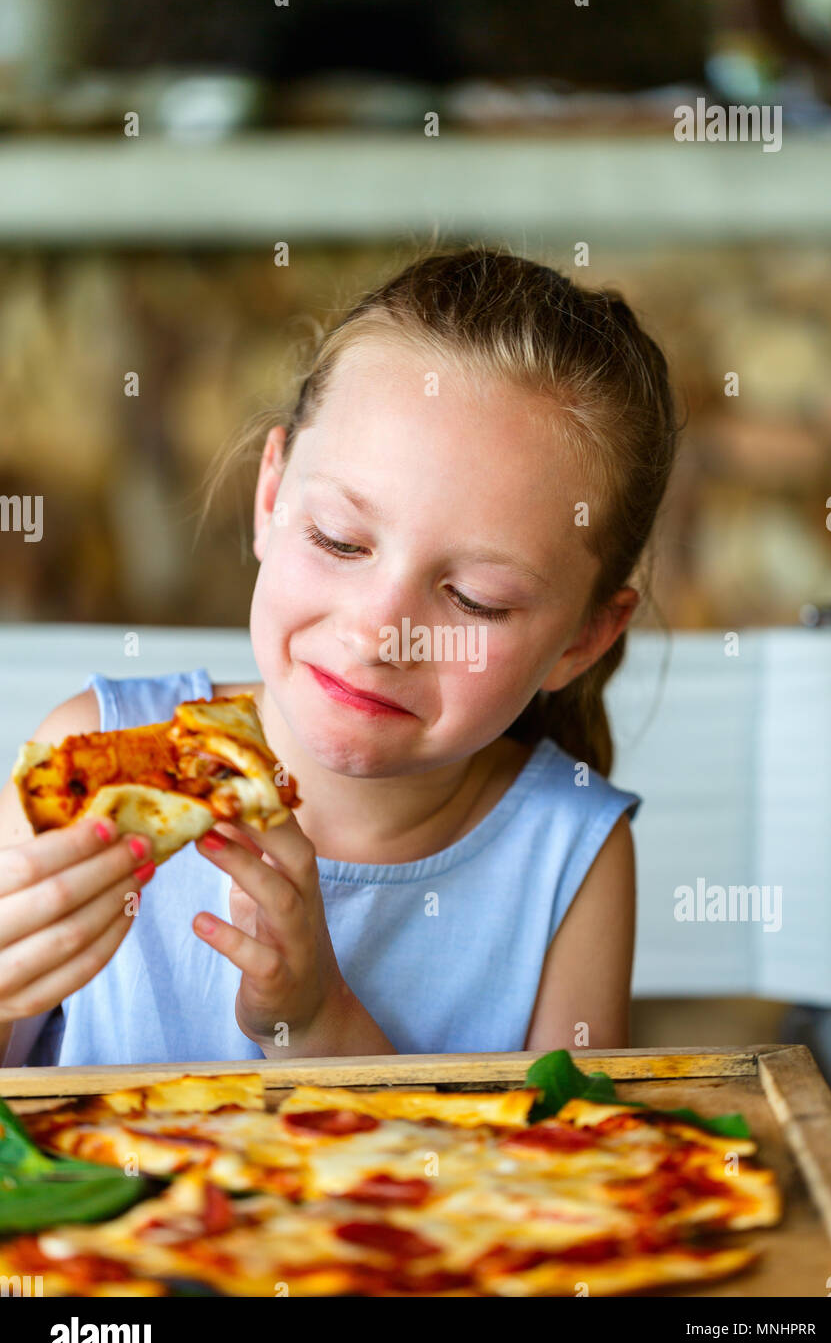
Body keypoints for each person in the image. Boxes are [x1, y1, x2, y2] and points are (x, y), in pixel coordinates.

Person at [0, 245, 681, 1067]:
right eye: (340, 540)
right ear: (272, 500)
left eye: (476, 599)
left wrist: (316, 1020)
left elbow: (560, 1178)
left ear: (582, 638)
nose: (377, 634)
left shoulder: (571, 858)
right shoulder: (86, 758)